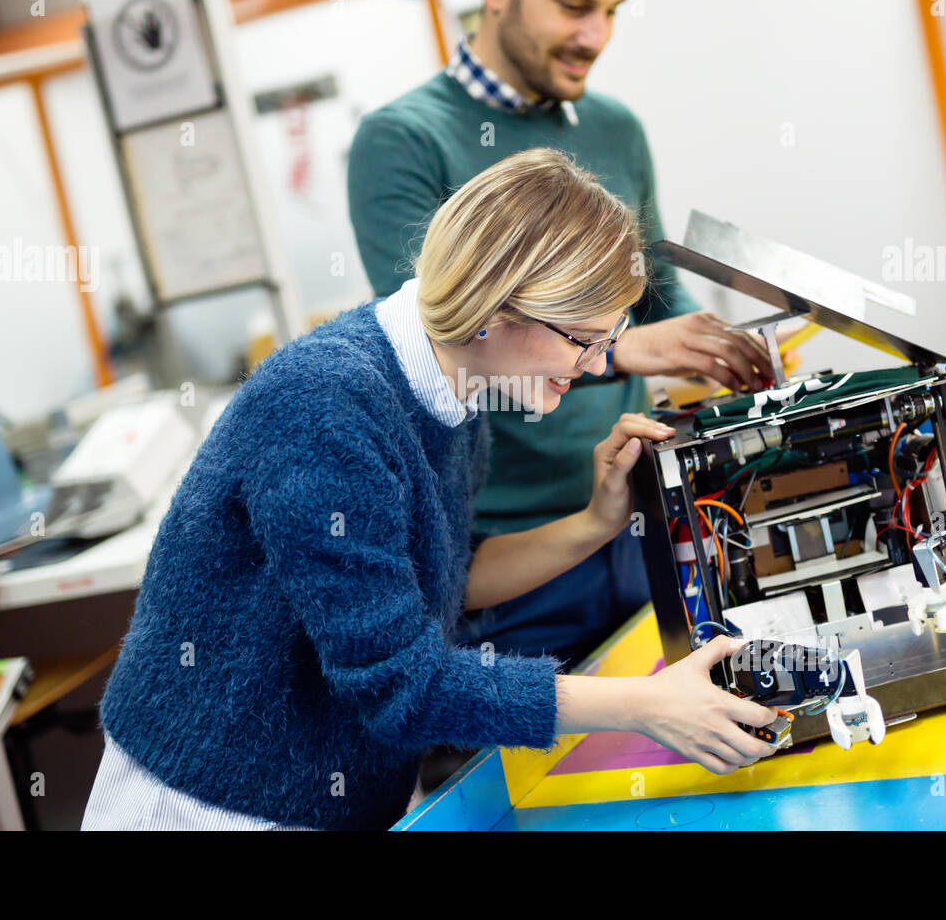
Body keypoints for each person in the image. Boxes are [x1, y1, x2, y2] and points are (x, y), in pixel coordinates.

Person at [82, 150, 778, 831]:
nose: (598, 365)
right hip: (214, 801)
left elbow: (443, 577)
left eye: (611, 338)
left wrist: (597, 521)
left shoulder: (453, 387)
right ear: (494, 307)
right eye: (583, 340)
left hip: (344, 794)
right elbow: (402, 688)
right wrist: (643, 704)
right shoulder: (326, 406)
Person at [348, 0, 774, 668]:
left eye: (611, 11)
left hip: (636, 520)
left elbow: (656, 289)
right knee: (524, 768)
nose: (595, 36)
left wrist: (713, 350)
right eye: (573, 6)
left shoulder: (616, 129)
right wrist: (624, 351)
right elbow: (439, 343)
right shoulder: (403, 140)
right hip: (511, 561)